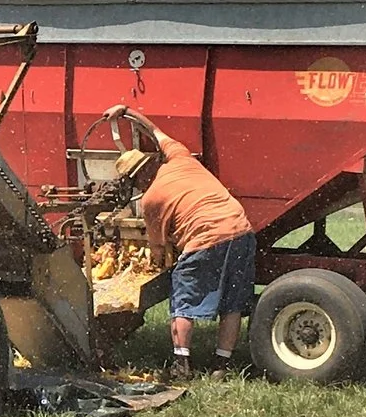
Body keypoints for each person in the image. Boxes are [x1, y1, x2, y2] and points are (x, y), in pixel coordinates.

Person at [104, 106, 256, 382]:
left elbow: (160, 251)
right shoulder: (180, 158)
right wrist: (127, 111)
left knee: (183, 302)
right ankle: (221, 365)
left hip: (206, 238)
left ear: (137, 179)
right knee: (232, 304)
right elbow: (155, 131)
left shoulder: (152, 200)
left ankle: (182, 366)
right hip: (241, 231)